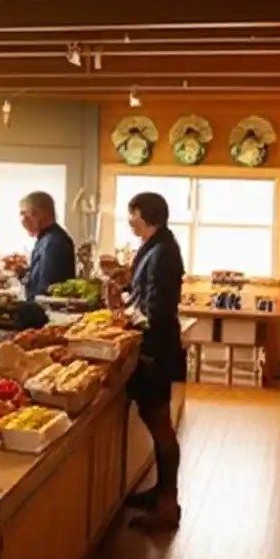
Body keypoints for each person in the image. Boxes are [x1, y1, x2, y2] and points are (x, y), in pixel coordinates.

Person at [115, 192, 186, 531]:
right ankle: (161, 491)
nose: (130, 221)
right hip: (156, 347)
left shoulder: (162, 252)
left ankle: (168, 505)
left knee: (160, 424)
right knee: (157, 421)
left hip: (155, 350)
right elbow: (144, 293)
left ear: (145, 214)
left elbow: (155, 310)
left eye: (132, 215)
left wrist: (128, 320)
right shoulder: (158, 244)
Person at [20, 191, 76, 301]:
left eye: (25, 214)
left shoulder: (53, 242)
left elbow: (47, 289)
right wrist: (23, 274)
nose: (23, 221)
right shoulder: (46, 239)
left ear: (39, 213)